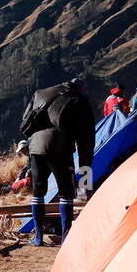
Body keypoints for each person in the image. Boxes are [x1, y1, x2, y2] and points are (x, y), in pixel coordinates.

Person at [20, 77, 95, 246]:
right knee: (66, 193)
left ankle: (38, 237)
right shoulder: (79, 101)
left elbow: (25, 122)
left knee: (38, 192)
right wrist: (85, 179)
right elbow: (86, 142)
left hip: (35, 149)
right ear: (81, 89)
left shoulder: (41, 93)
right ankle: (66, 237)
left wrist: (33, 146)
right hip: (60, 149)